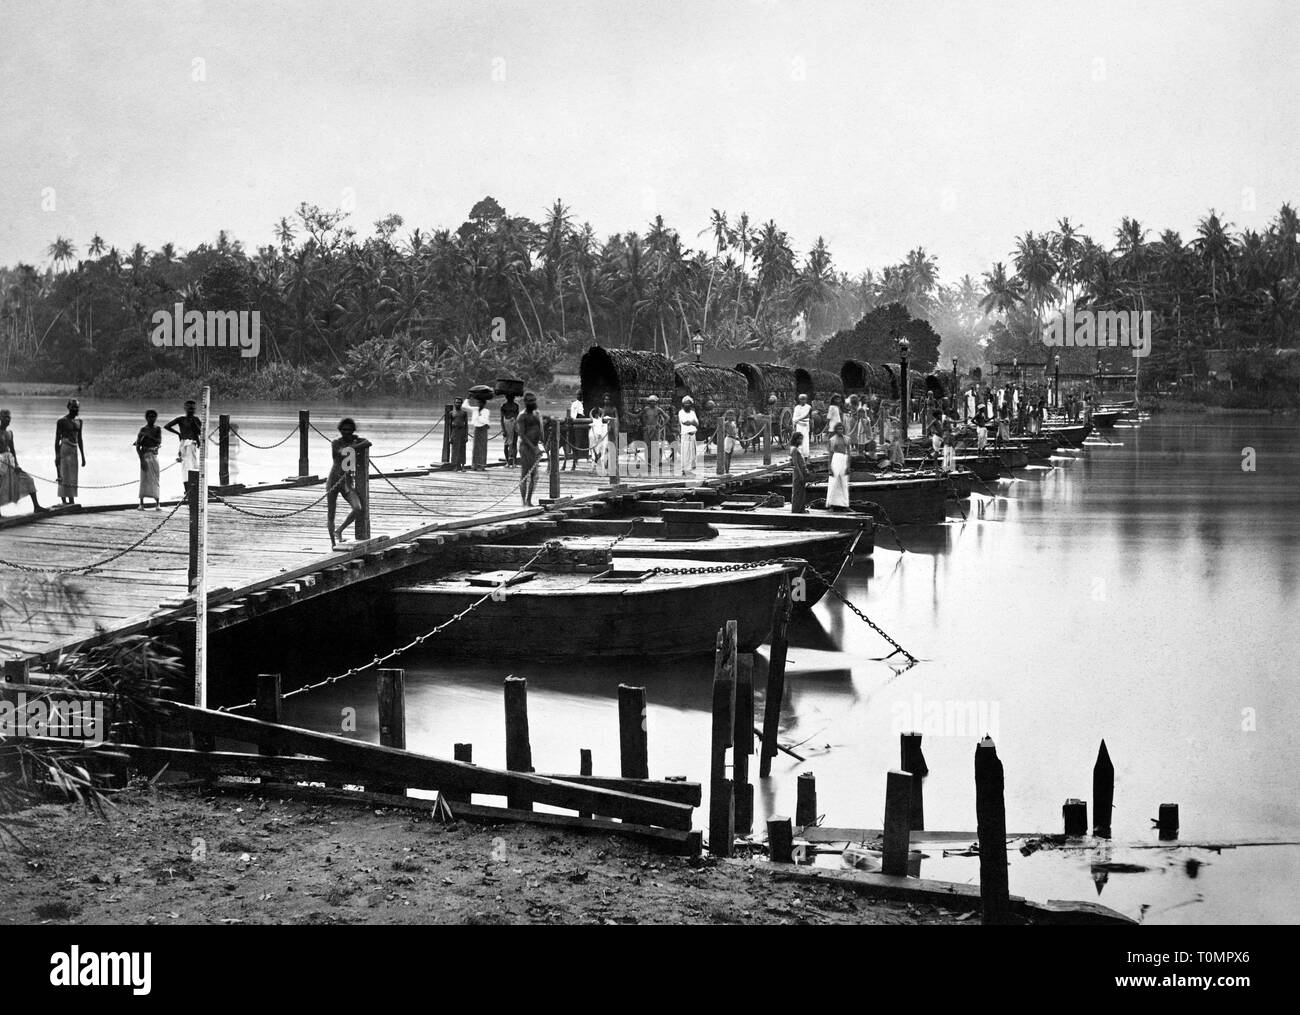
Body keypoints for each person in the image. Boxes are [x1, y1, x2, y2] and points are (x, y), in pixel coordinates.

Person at [326, 418, 372, 547]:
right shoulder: (336, 442)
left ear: (353, 431)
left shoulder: (354, 440)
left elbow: (368, 443)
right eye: (344, 430)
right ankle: (333, 543)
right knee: (331, 513)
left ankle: (339, 530)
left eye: (349, 430)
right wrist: (355, 446)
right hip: (333, 481)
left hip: (347, 482)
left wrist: (355, 444)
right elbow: (342, 452)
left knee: (358, 508)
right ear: (340, 430)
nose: (346, 432)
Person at [0, 409, 45, 515]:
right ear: (0, 418)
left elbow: (13, 450)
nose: (7, 420)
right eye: (5, 417)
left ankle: (36, 506)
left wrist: (17, 464)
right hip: (0, 462)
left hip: (10, 461)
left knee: (29, 479)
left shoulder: (10, 433)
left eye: (9, 418)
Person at [53, 398, 86, 505]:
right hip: (65, 448)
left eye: (76, 407)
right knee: (63, 473)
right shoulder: (61, 421)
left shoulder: (79, 421)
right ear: (68, 408)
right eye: (73, 407)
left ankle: (71, 500)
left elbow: (80, 439)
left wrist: (83, 457)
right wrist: (57, 455)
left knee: (73, 475)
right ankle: (64, 501)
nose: (75, 409)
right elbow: (57, 439)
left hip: (74, 449)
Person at [164, 399, 200, 496]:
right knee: (185, 467)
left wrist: (193, 423)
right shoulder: (181, 419)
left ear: (195, 409)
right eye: (189, 408)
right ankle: (187, 490)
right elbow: (167, 426)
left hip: (192, 444)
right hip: (183, 445)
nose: (191, 410)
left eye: (193, 408)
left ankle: (193, 489)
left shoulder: (196, 420)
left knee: (193, 466)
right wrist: (178, 433)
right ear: (185, 408)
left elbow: (199, 432)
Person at [517, 392, 543, 506]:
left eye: (534, 400)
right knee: (525, 474)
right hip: (525, 447)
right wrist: (533, 448)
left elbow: (540, 429)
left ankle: (529, 500)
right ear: (525, 402)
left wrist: (543, 445)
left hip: (535, 446)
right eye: (530, 401)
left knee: (534, 475)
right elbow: (522, 434)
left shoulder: (537, 413)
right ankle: (523, 501)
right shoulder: (522, 416)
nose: (533, 402)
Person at [134, 409, 162, 510]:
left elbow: (158, 441)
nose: (152, 419)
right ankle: (141, 503)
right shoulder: (142, 430)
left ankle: (157, 503)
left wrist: (148, 436)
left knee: (156, 478)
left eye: (154, 417)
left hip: (154, 456)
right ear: (146, 418)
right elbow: (138, 446)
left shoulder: (157, 429)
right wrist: (142, 460)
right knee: (144, 479)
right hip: (144, 456)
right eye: (150, 416)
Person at [826, 423, 850, 511]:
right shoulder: (832, 440)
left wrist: (848, 465)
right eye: (839, 429)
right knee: (834, 481)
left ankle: (844, 504)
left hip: (844, 459)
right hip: (835, 459)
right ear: (836, 430)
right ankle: (831, 504)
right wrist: (829, 467)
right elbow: (830, 454)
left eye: (842, 429)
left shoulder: (847, 439)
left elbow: (849, 453)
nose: (841, 430)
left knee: (843, 482)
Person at [639, 395, 666, 466]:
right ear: (649, 402)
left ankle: (657, 460)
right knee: (647, 445)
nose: (652, 403)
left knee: (655, 445)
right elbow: (638, 416)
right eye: (651, 401)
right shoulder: (646, 409)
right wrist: (628, 413)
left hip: (655, 429)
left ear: (656, 402)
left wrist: (661, 426)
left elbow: (667, 417)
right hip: (647, 429)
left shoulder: (658, 409)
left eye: (654, 401)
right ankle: (648, 461)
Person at [677, 396, 699, 474]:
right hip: (686, 434)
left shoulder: (693, 412)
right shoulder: (681, 412)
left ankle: (692, 468)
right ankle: (684, 469)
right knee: (685, 452)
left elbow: (697, 423)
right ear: (683, 404)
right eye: (686, 403)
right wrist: (692, 422)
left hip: (693, 434)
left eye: (689, 403)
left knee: (693, 452)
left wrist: (692, 422)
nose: (687, 405)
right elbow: (684, 422)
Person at [469, 395, 491, 471]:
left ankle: (482, 465)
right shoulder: (475, 409)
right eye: (478, 403)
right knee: (475, 447)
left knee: (483, 447)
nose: (479, 404)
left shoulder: (486, 411)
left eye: (481, 403)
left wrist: (478, 416)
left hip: (483, 428)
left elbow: (485, 421)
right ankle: (474, 465)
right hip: (477, 428)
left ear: (484, 404)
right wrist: (468, 398)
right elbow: (464, 407)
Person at [789, 430, 808, 513]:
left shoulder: (797, 449)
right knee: (797, 491)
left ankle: (801, 508)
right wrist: (800, 473)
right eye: (799, 439)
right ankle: (796, 509)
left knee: (802, 491)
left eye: (801, 439)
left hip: (802, 470)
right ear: (795, 439)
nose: (800, 441)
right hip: (798, 472)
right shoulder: (794, 449)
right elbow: (795, 463)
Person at [500, 392, 520, 466]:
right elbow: (502, 419)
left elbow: (517, 416)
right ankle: (507, 462)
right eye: (509, 396)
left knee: (514, 443)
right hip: (506, 425)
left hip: (514, 424)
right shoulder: (504, 406)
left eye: (512, 397)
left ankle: (514, 462)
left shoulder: (516, 405)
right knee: (506, 444)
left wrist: (517, 426)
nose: (511, 398)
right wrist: (503, 430)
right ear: (506, 397)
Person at [449, 397, 468, 470]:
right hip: (454, 432)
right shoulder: (451, 413)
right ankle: (456, 465)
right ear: (454, 403)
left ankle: (463, 466)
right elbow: (450, 426)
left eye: (459, 402)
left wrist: (466, 436)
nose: (458, 404)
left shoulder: (464, 413)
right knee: (455, 449)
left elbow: (466, 425)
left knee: (462, 449)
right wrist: (450, 437)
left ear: (461, 404)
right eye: (456, 402)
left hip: (462, 432)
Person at [589, 407, 609, 475]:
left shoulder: (600, 420)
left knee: (602, 450)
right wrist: (592, 410)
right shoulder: (594, 420)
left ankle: (602, 469)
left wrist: (601, 410)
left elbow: (603, 414)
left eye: (598, 414)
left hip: (600, 434)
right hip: (594, 436)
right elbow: (591, 415)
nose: (597, 415)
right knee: (593, 449)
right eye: (596, 414)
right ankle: (593, 467)